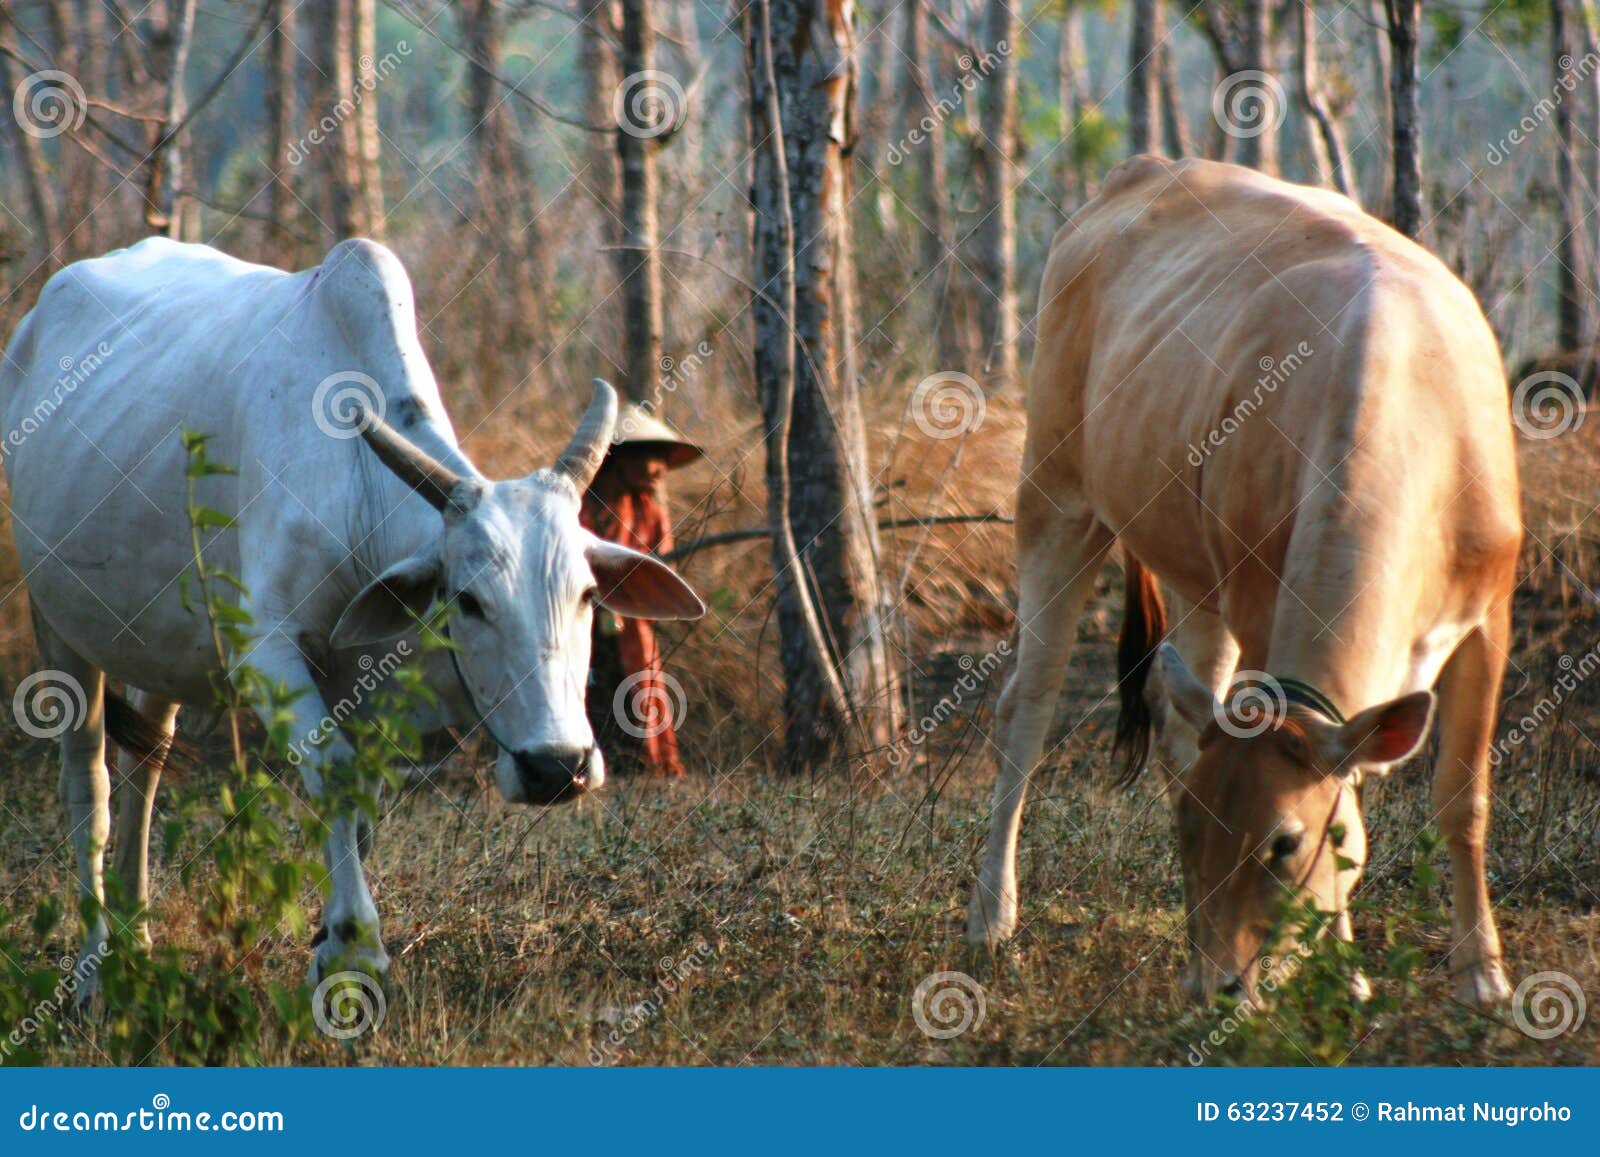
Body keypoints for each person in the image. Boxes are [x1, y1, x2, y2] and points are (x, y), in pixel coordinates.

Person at [579, 404, 704, 778]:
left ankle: (648, 773)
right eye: (651, 457)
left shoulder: (648, 512)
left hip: (631, 630)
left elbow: (666, 573)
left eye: (662, 458)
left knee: (640, 704)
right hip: (580, 624)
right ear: (619, 459)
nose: (660, 469)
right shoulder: (577, 507)